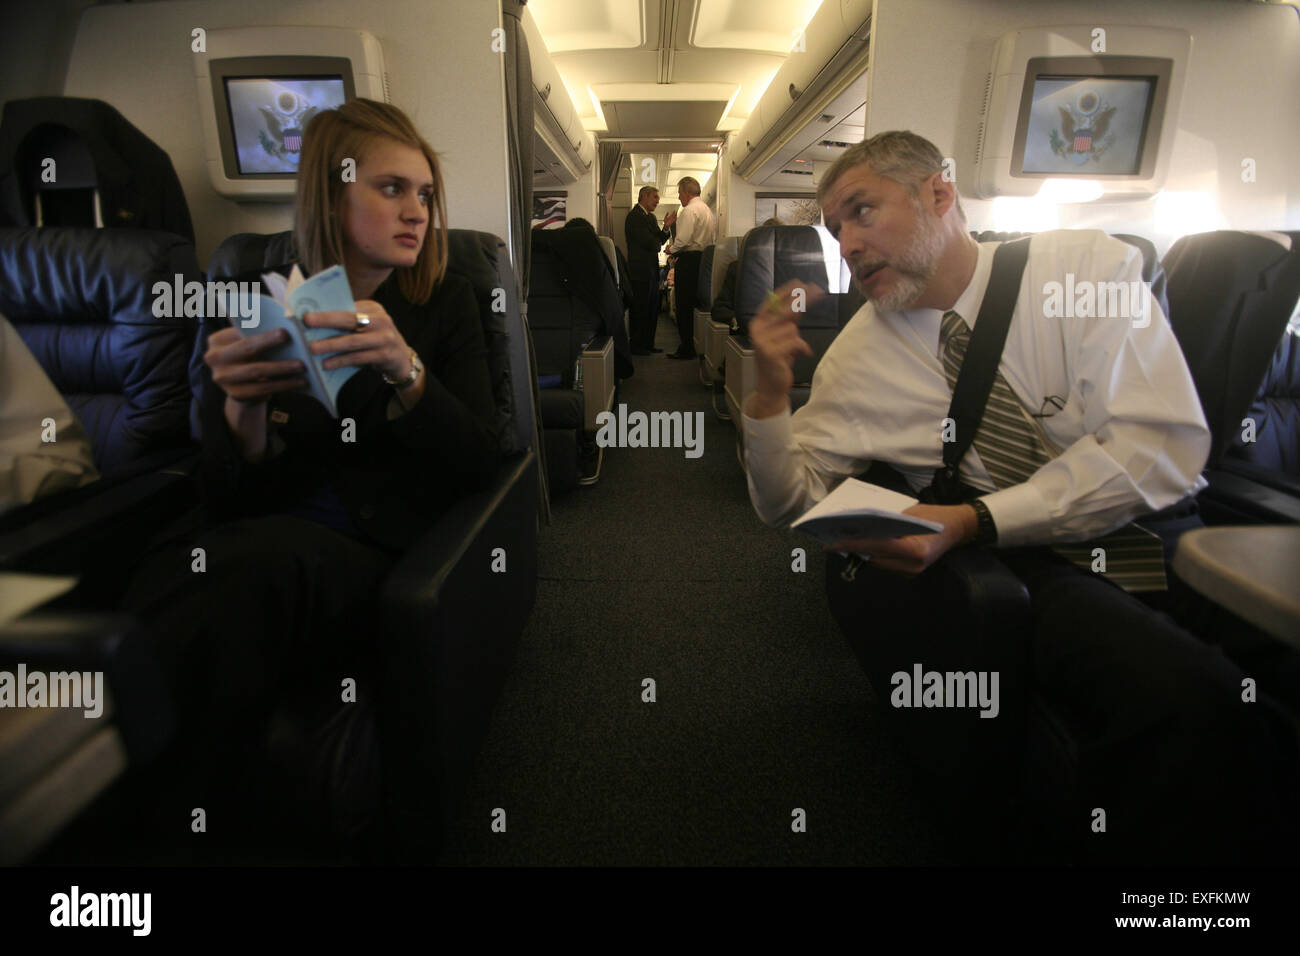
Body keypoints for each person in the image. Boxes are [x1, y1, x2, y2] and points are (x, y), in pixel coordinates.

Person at [741, 129, 1298, 864]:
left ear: (940, 194)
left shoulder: (1083, 269)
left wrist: (974, 518)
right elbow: (788, 504)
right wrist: (768, 401)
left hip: (1160, 529)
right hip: (1042, 563)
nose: (846, 241)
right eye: (835, 226)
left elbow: (1159, 446)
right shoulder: (857, 359)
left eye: (862, 211)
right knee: (1194, 697)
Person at [119, 99, 501, 851]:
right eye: (392, 189)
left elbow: (481, 462)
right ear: (332, 193)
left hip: (379, 550)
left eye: (425, 194)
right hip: (257, 537)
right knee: (196, 567)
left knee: (258, 567)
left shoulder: (443, 302)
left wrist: (408, 371)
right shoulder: (255, 297)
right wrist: (241, 412)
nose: (417, 212)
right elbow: (226, 496)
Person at [664, 176, 715, 359]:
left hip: (688, 260)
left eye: (679, 193)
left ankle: (687, 347)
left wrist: (671, 249)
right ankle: (695, 343)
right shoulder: (707, 210)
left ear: (686, 192)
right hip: (702, 260)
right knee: (695, 304)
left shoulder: (688, 210)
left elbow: (683, 240)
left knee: (684, 305)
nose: (679, 197)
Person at [624, 185, 672, 354]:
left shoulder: (651, 218)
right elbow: (652, 243)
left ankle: (648, 344)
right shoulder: (634, 217)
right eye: (655, 198)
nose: (658, 201)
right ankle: (637, 345)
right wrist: (657, 241)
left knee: (652, 309)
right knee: (640, 309)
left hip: (651, 270)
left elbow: (659, 240)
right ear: (644, 196)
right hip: (639, 272)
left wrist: (665, 228)